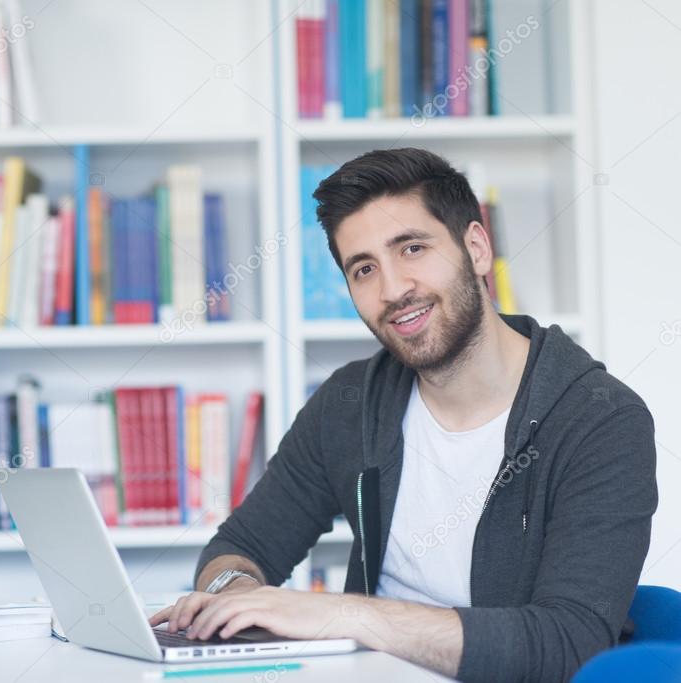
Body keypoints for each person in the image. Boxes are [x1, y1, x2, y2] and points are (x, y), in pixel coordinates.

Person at [149, 148, 657, 682]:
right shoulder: (348, 402)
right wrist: (238, 598)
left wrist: (341, 615)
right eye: (364, 269)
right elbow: (240, 547)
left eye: (412, 248)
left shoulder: (600, 421)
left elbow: (566, 647)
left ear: (477, 248)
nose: (392, 290)